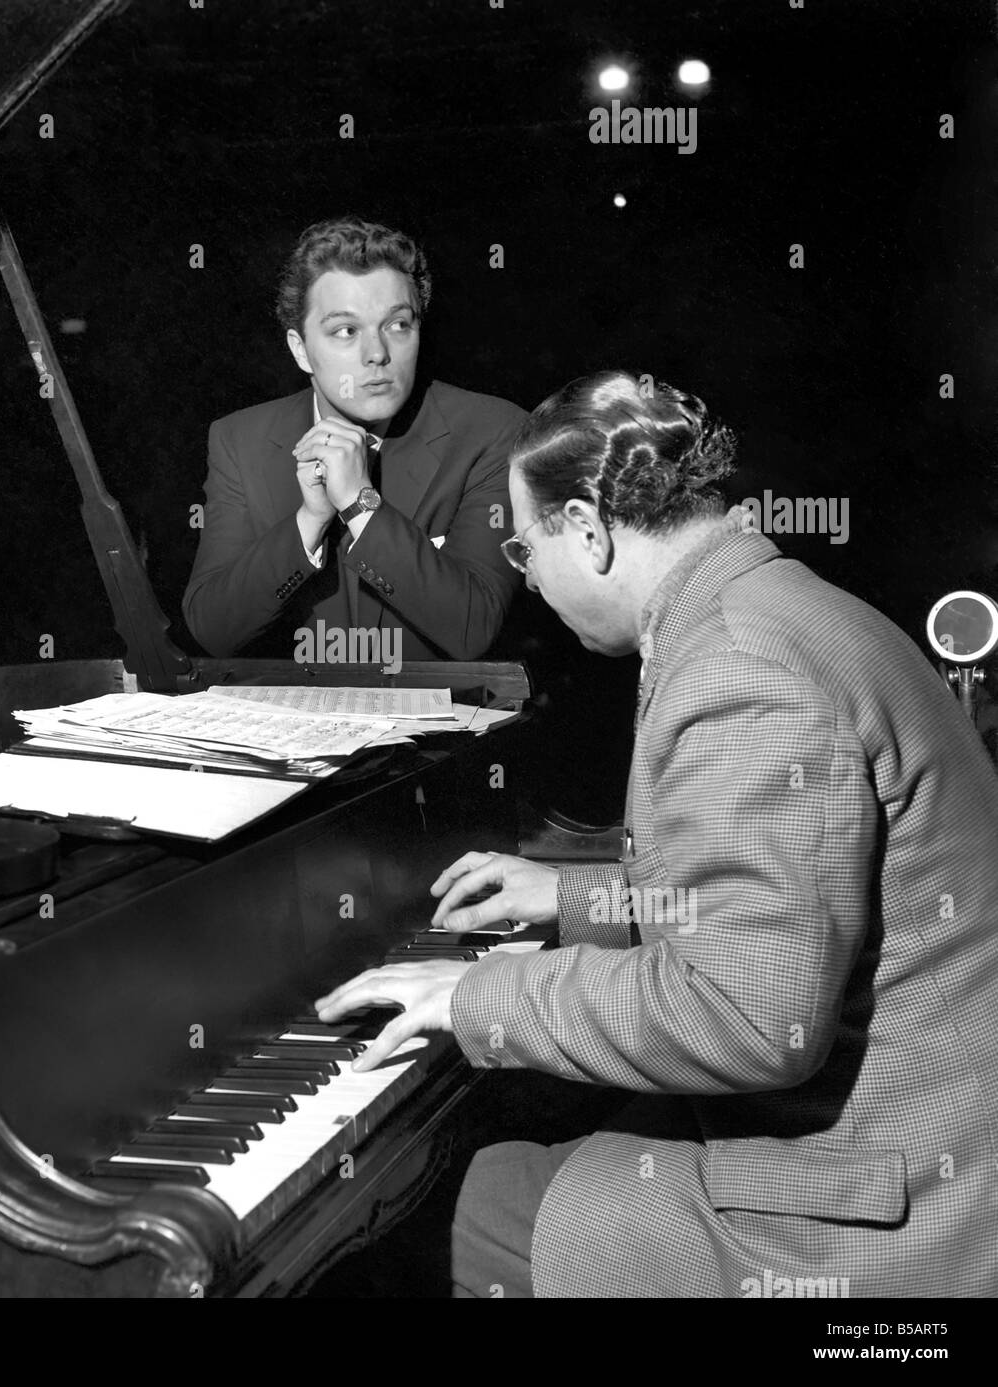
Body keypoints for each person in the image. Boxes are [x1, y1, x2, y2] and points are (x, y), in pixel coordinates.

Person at [316, 370, 998, 1297]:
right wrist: (575, 896)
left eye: (525, 550)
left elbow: (755, 1018)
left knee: (463, 1208)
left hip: (889, 1204)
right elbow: (780, 892)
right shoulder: (775, 608)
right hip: (916, 1111)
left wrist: (483, 992)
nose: (531, 580)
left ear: (589, 531)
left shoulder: (742, 669)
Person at [183, 216, 524, 661]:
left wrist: (362, 505)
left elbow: (473, 626)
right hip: (294, 724)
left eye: (398, 325)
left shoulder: (492, 432)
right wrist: (310, 520)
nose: (377, 354)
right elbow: (213, 629)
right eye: (346, 331)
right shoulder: (239, 440)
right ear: (300, 349)